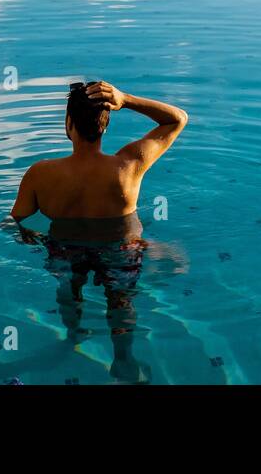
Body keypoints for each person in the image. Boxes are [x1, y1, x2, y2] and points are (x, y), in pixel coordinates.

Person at [9, 81, 187, 382]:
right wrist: (126, 98)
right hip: (120, 249)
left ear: (68, 124)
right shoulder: (129, 164)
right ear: (105, 125)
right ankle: (123, 358)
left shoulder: (40, 173)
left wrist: (35, 238)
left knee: (68, 291)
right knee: (122, 299)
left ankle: (73, 336)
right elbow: (177, 118)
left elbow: (17, 222)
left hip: (65, 248)